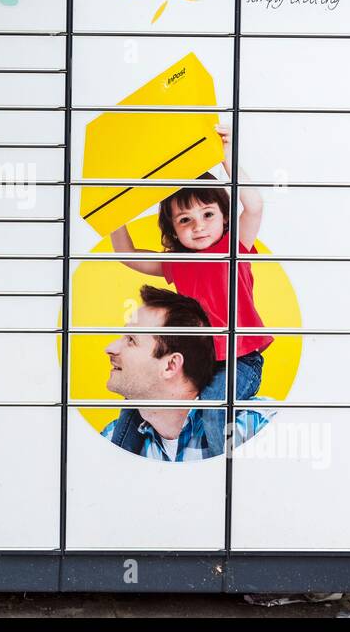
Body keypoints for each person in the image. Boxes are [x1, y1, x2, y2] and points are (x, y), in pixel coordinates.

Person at [109, 124, 272, 456]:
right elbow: (127, 256)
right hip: (198, 361)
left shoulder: (233, 245)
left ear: (225, 217)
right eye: (185, 220)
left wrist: (227, 155)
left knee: (213, 405)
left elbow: (253, 205)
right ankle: (118, 466)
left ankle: (217, 473)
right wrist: (114, 210)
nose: (198, 226)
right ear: (173, 230)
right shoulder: (177, 263)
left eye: (207, 214)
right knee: (135, 405)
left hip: (239, 361)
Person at [100, 285, 268, 461]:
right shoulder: (111, 440)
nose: (110, 348)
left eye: (131, 340)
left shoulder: (257, 430)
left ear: (171, 365)